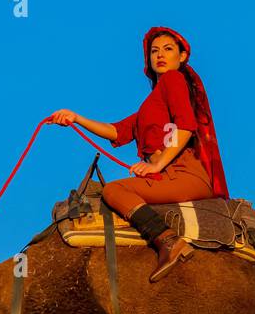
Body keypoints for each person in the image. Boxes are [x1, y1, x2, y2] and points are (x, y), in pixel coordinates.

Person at [51, 26, 229, 282]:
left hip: (183, 173)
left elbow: (187, 127)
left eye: (168, 49)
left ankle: (168, 242)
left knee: (113, 191)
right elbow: (115, 131)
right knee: (114, 190)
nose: (160, 55)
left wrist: (156, 166)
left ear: (182, 57)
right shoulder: (150, 106)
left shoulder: (173, 80)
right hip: (167, 176)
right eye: (154, 51)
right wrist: (76, 118)